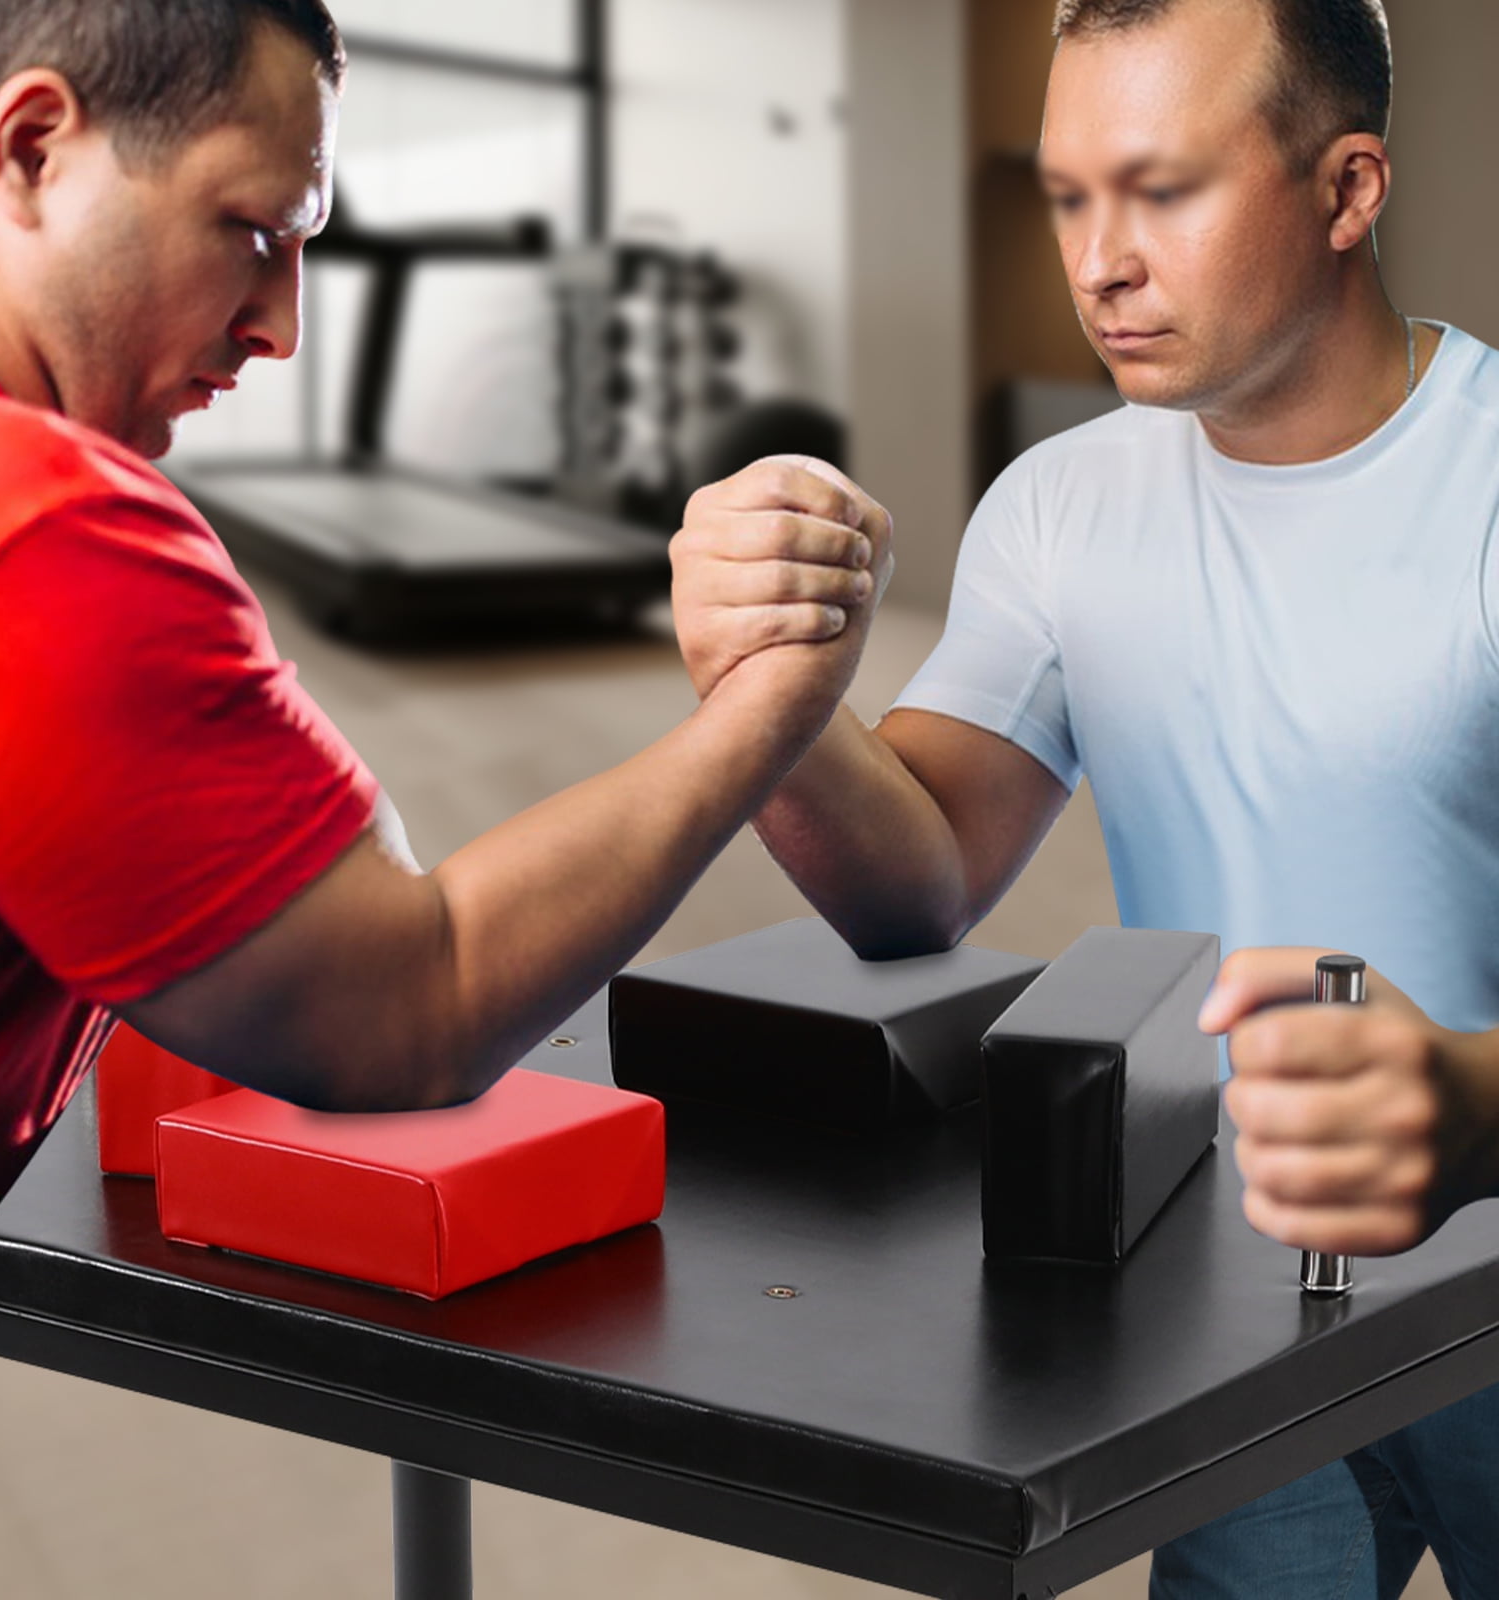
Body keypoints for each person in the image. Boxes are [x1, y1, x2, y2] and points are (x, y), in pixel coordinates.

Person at [0, 0, 892, 1483]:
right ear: (36, 147)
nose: (280, 326)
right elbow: (412, 997)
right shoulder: (29, 527)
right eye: (252, 228)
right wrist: (770, 703)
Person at [669, 0, 1499, 1594]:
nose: (1098, 259)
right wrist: (769, 687)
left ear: (1349, 190)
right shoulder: (1061, 505)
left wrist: (1476, 1110)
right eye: (1069, 195)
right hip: (1228, 1306)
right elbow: (917, 888)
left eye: (1162, 188)